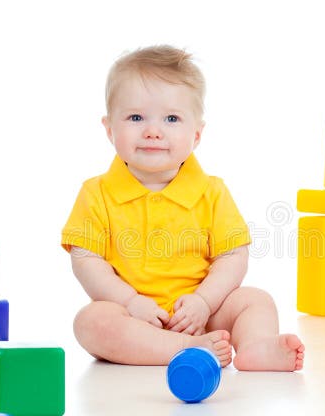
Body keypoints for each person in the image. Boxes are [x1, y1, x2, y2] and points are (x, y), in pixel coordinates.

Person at [61, 45, 304, 371]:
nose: (153, 130)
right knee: (90, 321)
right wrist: (131, 302)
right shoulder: (96, 193)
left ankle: (255, 347)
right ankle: (184, 348)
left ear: (197, 134)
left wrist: (204, 302)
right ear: (109, 129)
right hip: (133, 317)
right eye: (135, 117)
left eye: (172, 118)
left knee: (256, 300)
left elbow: (232, 257)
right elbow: (86, 260)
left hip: (204, 312)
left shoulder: (211, 191)